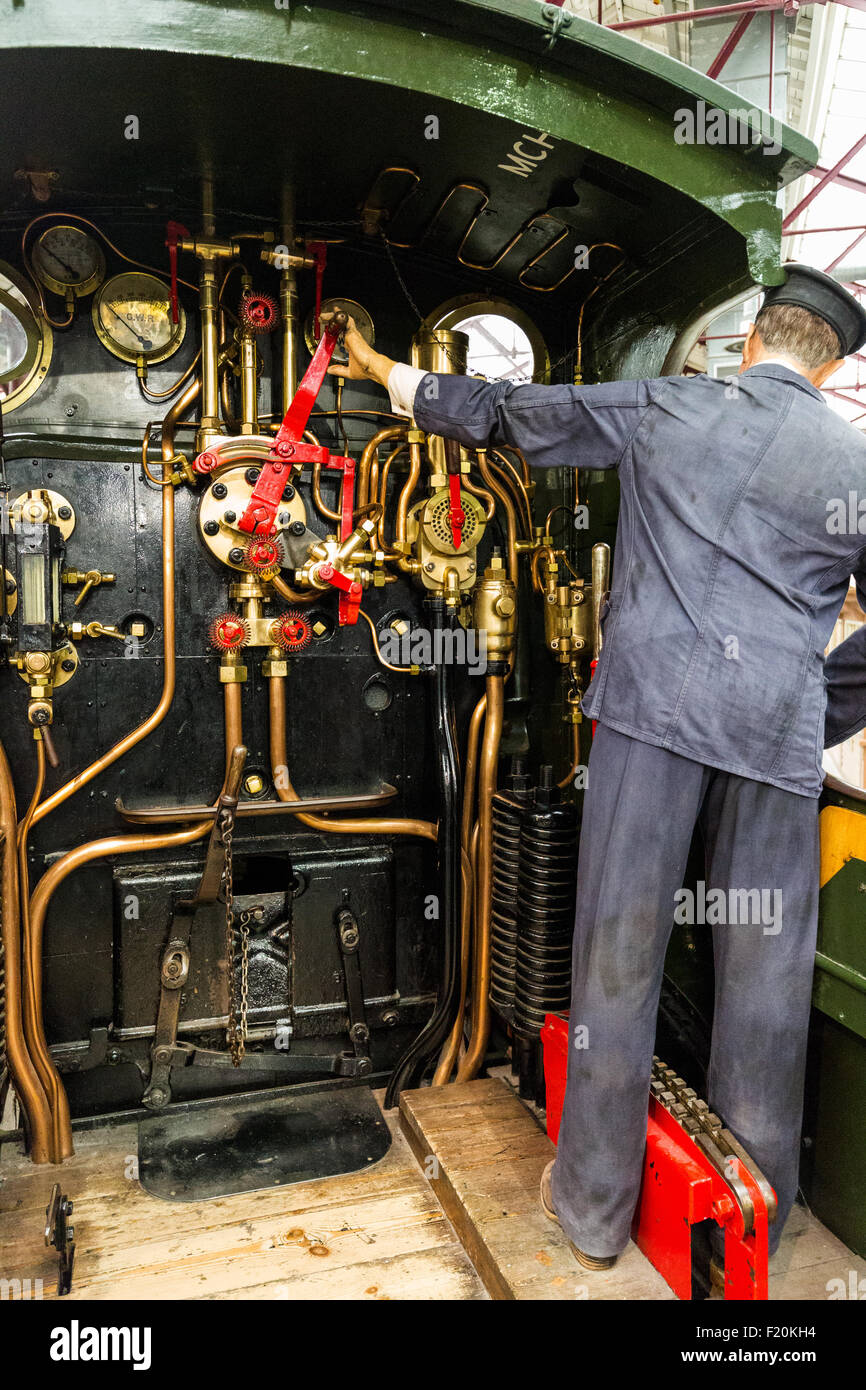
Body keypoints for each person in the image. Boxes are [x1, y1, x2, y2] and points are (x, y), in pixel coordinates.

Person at [327, 265, 866, 1269]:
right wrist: (809, 701)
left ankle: (590, 1211)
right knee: (763, 988)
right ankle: (748, 1228)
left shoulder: (671, 403)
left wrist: (388, 374)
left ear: (753, 337)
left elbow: (510, 414)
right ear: (830, 366)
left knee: (616, 963)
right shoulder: (854, 462)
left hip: (649, 717)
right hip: (773, 736)